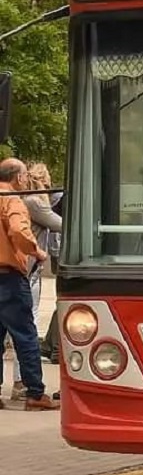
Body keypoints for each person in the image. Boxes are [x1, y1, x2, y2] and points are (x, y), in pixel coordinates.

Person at [0, 158, 59, 410]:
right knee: (26, 335)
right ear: (18, 178)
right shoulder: (12, 200)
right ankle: (35, 393)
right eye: (23, 176)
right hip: (10, 278)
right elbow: (17, 230)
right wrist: (36, 251)